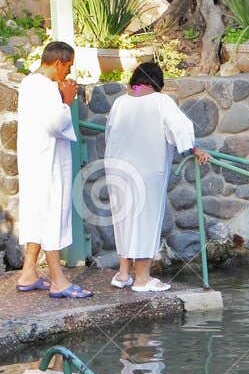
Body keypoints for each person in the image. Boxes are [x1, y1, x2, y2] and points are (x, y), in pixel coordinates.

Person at [103, 61, 210, 292]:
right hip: (147, 171)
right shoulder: (161, 102)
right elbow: (179, 130)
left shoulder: (120, 102)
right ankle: (142, 279)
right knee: (146, 220)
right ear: (157, 82)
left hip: (118, 169)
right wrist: (194, 149)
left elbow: (109, 133)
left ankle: (123, 274)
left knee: (124, 219)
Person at [13, 41, 88, 299]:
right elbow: (56, 123)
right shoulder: (45, 88)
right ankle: (58, 280)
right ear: (58, 63)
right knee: (52, 214)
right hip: (48, 163)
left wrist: (60, 96)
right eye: (67, 67)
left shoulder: (29, 83)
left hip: (33, 159)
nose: (67, 73)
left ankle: (28, 272)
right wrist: (66, 101)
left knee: (37, 214)